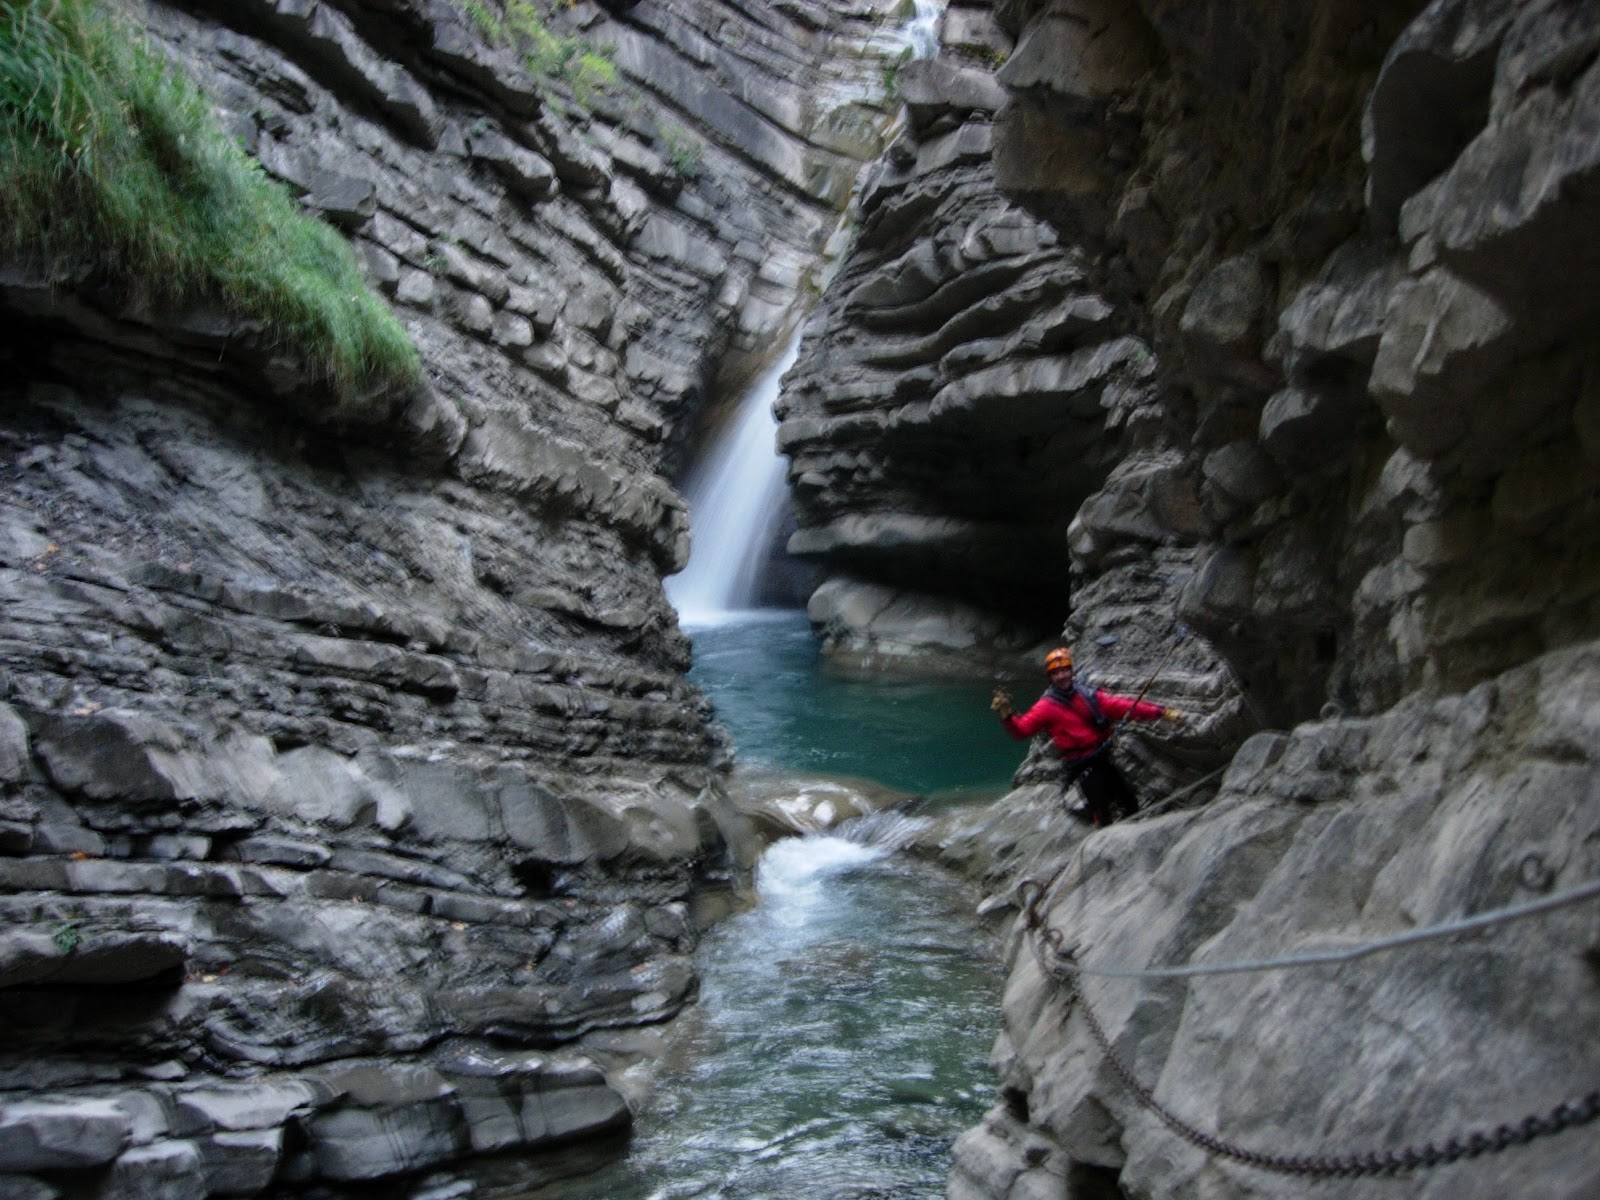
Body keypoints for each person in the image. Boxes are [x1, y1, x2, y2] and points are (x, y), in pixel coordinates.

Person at [992, 646, 1181, 827]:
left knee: (1128, 800)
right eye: (1056, 673)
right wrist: (1006, 715)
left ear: (1071, 671)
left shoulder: (1088, 695)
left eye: (1065, 671)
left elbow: (1123, 706)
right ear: (1050, 677)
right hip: (1081, 763)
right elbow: (1021, 730)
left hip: (1101, 756)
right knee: (1101, 808)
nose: (1061, 676)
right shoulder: (1046, 707)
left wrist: (1160, 712)